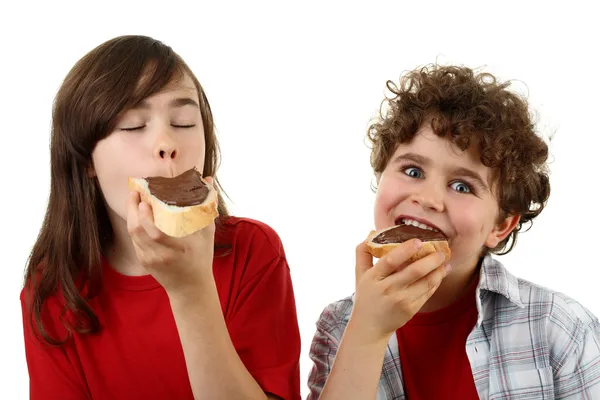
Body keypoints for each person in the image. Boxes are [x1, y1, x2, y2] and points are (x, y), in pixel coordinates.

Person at [21, 35, 301, 400]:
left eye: (184, 122)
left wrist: (192, 290)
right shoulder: (53, 290)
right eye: (135, 126)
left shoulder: (253, 250)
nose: (166, 143)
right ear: (86, 159)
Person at [307, 64, 600, 399]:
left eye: (462, 186)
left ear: (500, 226)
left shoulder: (558, 327)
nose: (429, 199)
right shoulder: (339, 325)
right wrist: (367, 332)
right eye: (413, 170)